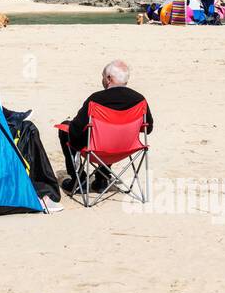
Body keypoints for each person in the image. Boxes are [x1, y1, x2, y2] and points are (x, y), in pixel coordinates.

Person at [57, 59, 153, 194]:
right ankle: (102, 178)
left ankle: (79, 180)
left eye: (102, 77)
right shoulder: (139, 100)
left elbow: (76, 131)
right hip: (125, 149)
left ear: (108, 78)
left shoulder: (96, 100)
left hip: (97, 150)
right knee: (114, 134)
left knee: (66, 129)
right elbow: (147, 129)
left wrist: (69, 124)